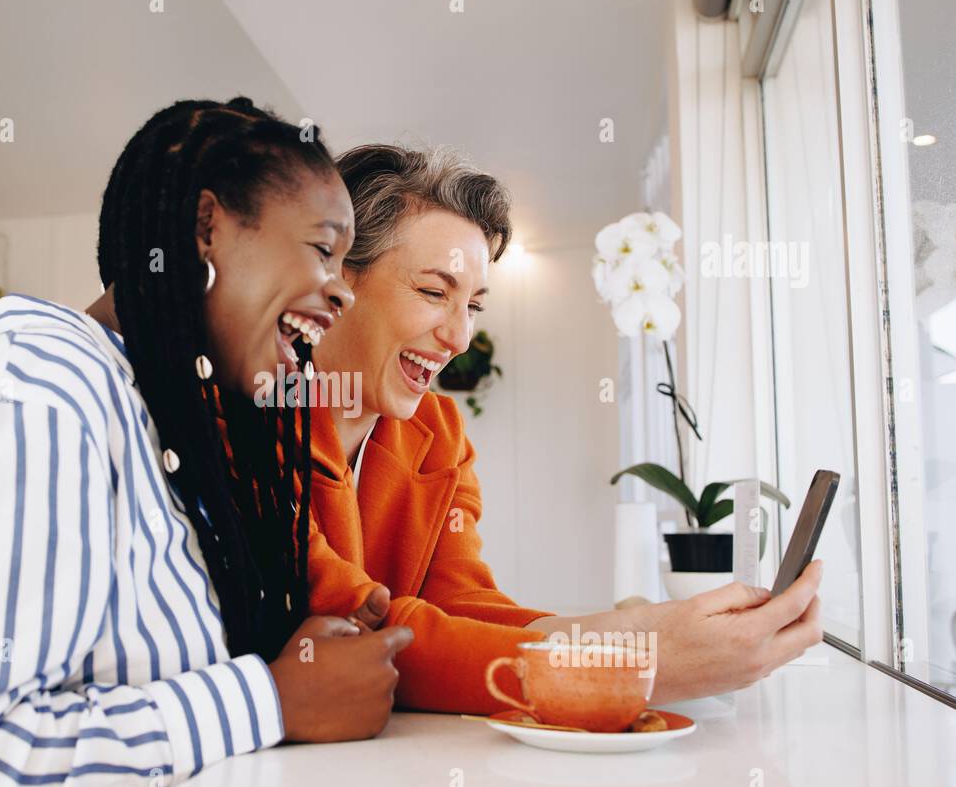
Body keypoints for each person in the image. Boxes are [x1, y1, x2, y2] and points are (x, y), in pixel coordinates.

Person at [0, 98, 413, 787]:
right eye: (322, 249)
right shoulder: (34, 402)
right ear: (206, 228)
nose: (342, 290)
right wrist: (271, 699)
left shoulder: (149, 424)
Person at [303, 143, 823, 715]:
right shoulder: (249, 417)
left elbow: (464, 606)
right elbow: (363, 634)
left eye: (474, 305)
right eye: (433, 292)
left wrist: (644, 629)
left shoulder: (438, 430)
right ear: (337, 280)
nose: (458, 337)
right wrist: (640, 663)